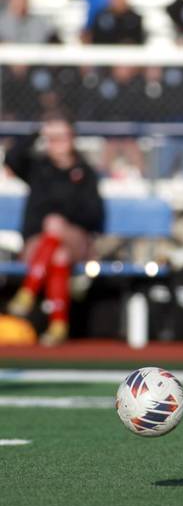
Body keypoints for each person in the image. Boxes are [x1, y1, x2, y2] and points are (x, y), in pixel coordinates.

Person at [4, 110, 105, 346]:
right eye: (53, 138)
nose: (57, 143)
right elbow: (11, 158)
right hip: (39, 245)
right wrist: (38, 131)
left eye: (63, 137)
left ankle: (28, 292)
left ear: (72, 138)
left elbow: (94, 215)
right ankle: (59, 324)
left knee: (55, 226)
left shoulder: (85, 172)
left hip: (75, 239)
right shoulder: (38, 167)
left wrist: (63, 219)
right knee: (58, 254)